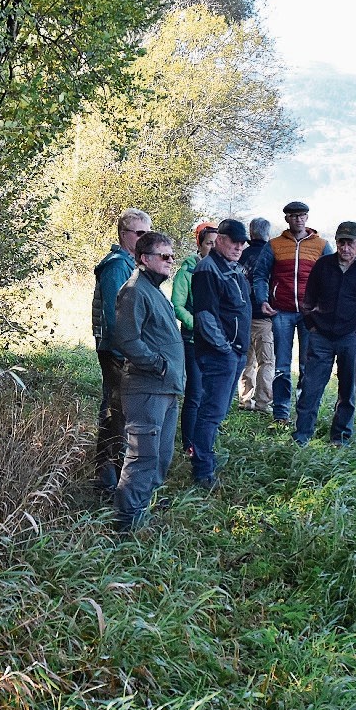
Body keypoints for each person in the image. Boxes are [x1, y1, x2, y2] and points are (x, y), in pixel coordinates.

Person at [112, 232, 186, 535]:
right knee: (142, 459)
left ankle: (141, 512)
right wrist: (158, 365)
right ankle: (125, 528)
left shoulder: (154, 290)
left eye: (172, 256)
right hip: (147, 389)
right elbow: (127, 339)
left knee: (160, 458)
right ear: (145, 259)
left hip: (166, 389)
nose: (170, 261)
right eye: (164, 256)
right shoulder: (134, 290)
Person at [293, 221, 356, 446]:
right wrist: (311, 325)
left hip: (352, 338)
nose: (345, 248)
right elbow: (308, 299)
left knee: (348, 391)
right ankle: (301, 436)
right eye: (341, 242)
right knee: (311, 388)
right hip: (321, 337)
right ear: (336, 242)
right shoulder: (323, 265)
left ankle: (340, 438)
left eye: (350, 243)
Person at [185, 218, 251, 489]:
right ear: (220, 239)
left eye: (241, 243)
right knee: (211, 411)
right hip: (219, 354)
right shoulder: (208, 269)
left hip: (235, 353)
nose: (238, 247)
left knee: (217, 410)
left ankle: (205, 460)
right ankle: (202, 470)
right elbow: (205, 317)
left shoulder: (232, 267)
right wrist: (224, 350)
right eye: (233, 241)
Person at [91, 208, 150, 491]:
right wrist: (127, 352)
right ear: (123, 234)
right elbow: (115, 316)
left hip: (123, 350)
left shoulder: (131, 264)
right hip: (116, 352)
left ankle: (108, 476)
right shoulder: (116, 265)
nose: (143, 239)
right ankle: (108, 479)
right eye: (139, 233)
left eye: (147, 234)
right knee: (116, 413)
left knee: (117, 412)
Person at [269, 201, 326, 427]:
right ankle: (281, 413)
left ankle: (303, 411)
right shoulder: (274, 245)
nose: (298, 220)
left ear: (307, 217)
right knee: (281, 365)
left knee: (307, 365)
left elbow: (329, 277)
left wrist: (322, 305)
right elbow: (261, 274)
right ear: (286, 219)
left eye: (302, 215)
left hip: (309, 313)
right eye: (293, 216)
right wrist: (264, 300)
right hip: (281, 311)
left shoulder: (321, 245)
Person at [172, 222, 216, 456]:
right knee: (195, 392)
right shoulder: (187, 271)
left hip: (216, 343)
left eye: (216, 243)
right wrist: (197, 326)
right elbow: (178, 305)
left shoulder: (221, 269)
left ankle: (205, 441)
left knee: (212, 394)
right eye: (209, 243)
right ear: (200, 244)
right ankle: (189, 444)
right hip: (193, 340)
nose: (213, 247)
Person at [238, 217, 277, 415]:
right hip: (264, 316)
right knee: (266, 361)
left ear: (250, 233)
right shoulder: (271, 255)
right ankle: (263, 403)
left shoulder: (240, 255)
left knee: (246, 360)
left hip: (242, 316)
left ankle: (245, 400)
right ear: (267, 233)